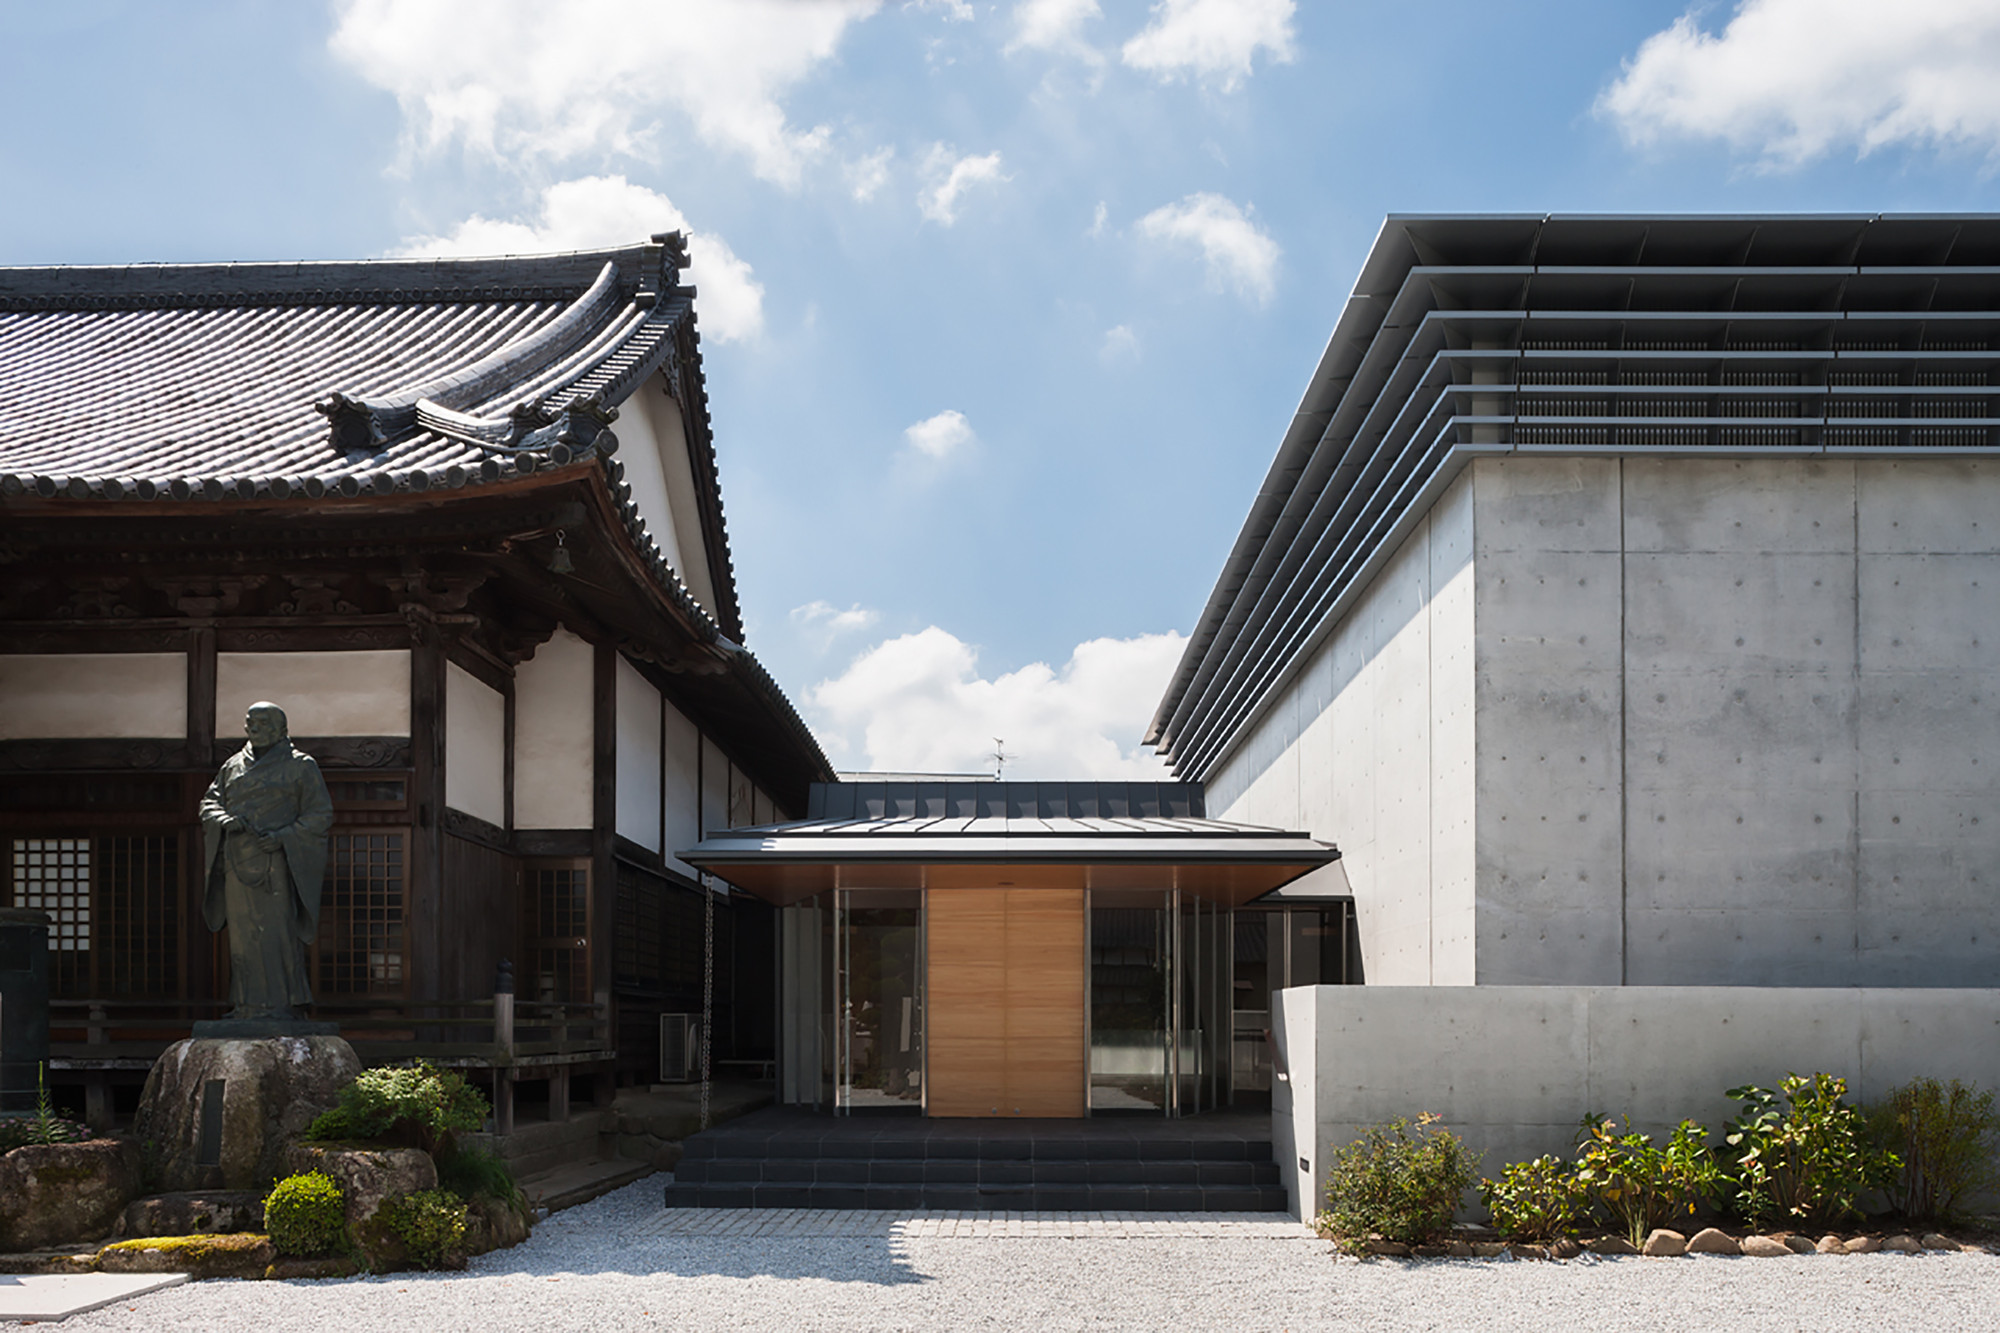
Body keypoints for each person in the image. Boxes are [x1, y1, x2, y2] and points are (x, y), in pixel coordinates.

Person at [198, 702, 334, 1020]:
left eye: (262, 722)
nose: (253, 728)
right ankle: (246, 1005)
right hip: (237, 860)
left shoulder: (301, 765)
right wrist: (223, 819)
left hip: (277, 860)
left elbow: (320, 814)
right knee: (243, 939)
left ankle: (283, 1004)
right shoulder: (232, 766)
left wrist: (284, 836)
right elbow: (208, 803)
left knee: (276, 933)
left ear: (281, 729)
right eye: (250, 722)